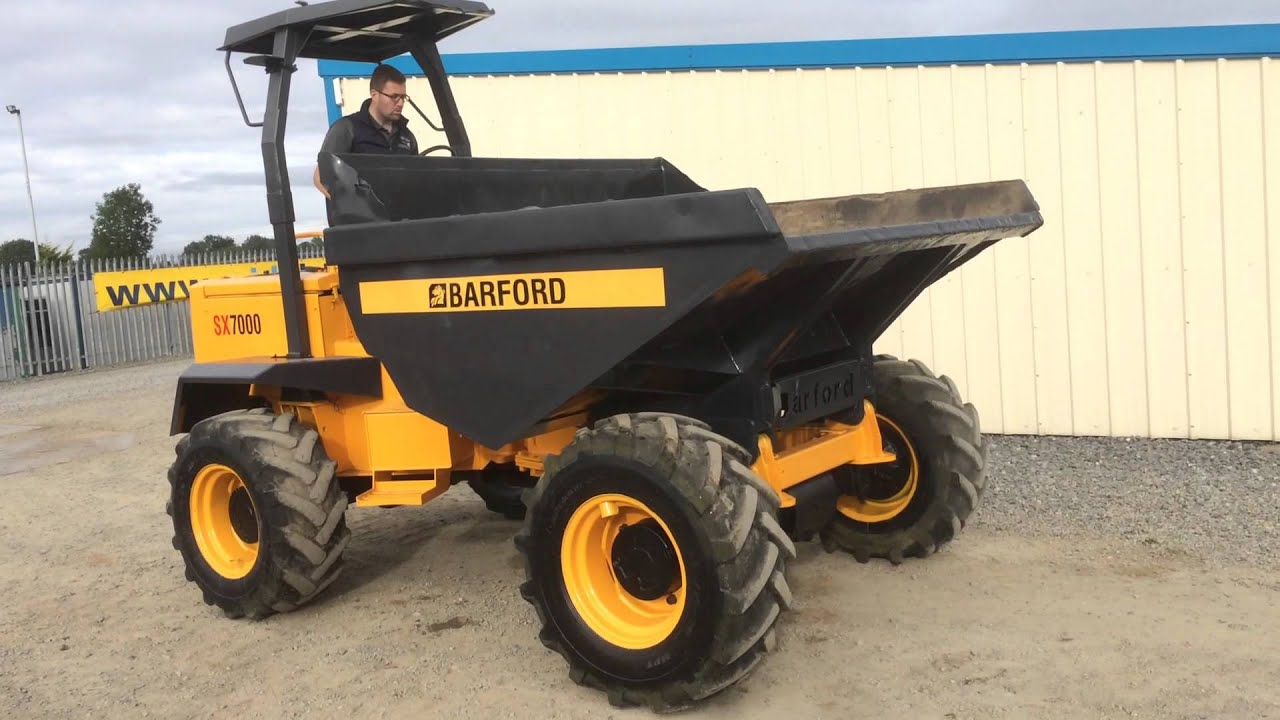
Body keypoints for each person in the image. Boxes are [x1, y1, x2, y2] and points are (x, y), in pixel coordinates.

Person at [312, 63, 419, 198]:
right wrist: (354, 204)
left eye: (403, 97)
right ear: (374, 95)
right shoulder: (347, 128)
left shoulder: (407, 137)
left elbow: (416, 180)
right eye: (394, 97)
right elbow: (321, 177)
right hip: (362, 211)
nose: (400, 103)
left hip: (402, 211)